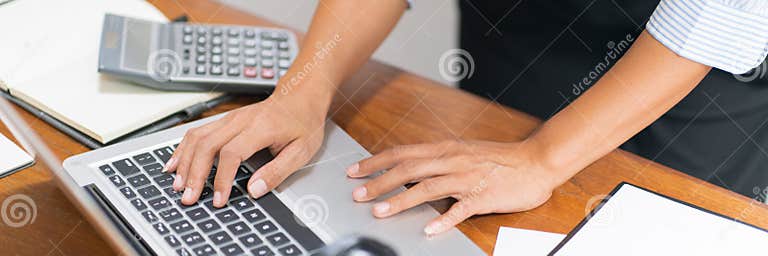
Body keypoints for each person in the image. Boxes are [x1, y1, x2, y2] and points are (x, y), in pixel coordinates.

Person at [164, 0, 768, 235]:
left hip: (684, 97)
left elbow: (713, 17)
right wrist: (305, 89)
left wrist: (543, 158)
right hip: (513, 59)